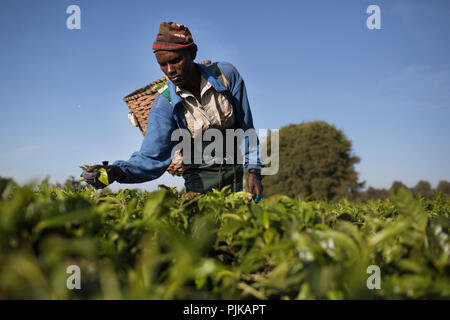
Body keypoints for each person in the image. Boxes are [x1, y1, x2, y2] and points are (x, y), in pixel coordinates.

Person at [82, 22, 263, 201]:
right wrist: (115, 172)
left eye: (176, 61)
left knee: (238, 225)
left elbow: (246, 126)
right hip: (199, 179)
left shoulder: (225, 76)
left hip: (235, 171)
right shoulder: (165, 102)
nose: (170, 71)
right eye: (163, 64)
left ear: (192, 53)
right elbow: (151, 157)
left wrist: (254, 170)